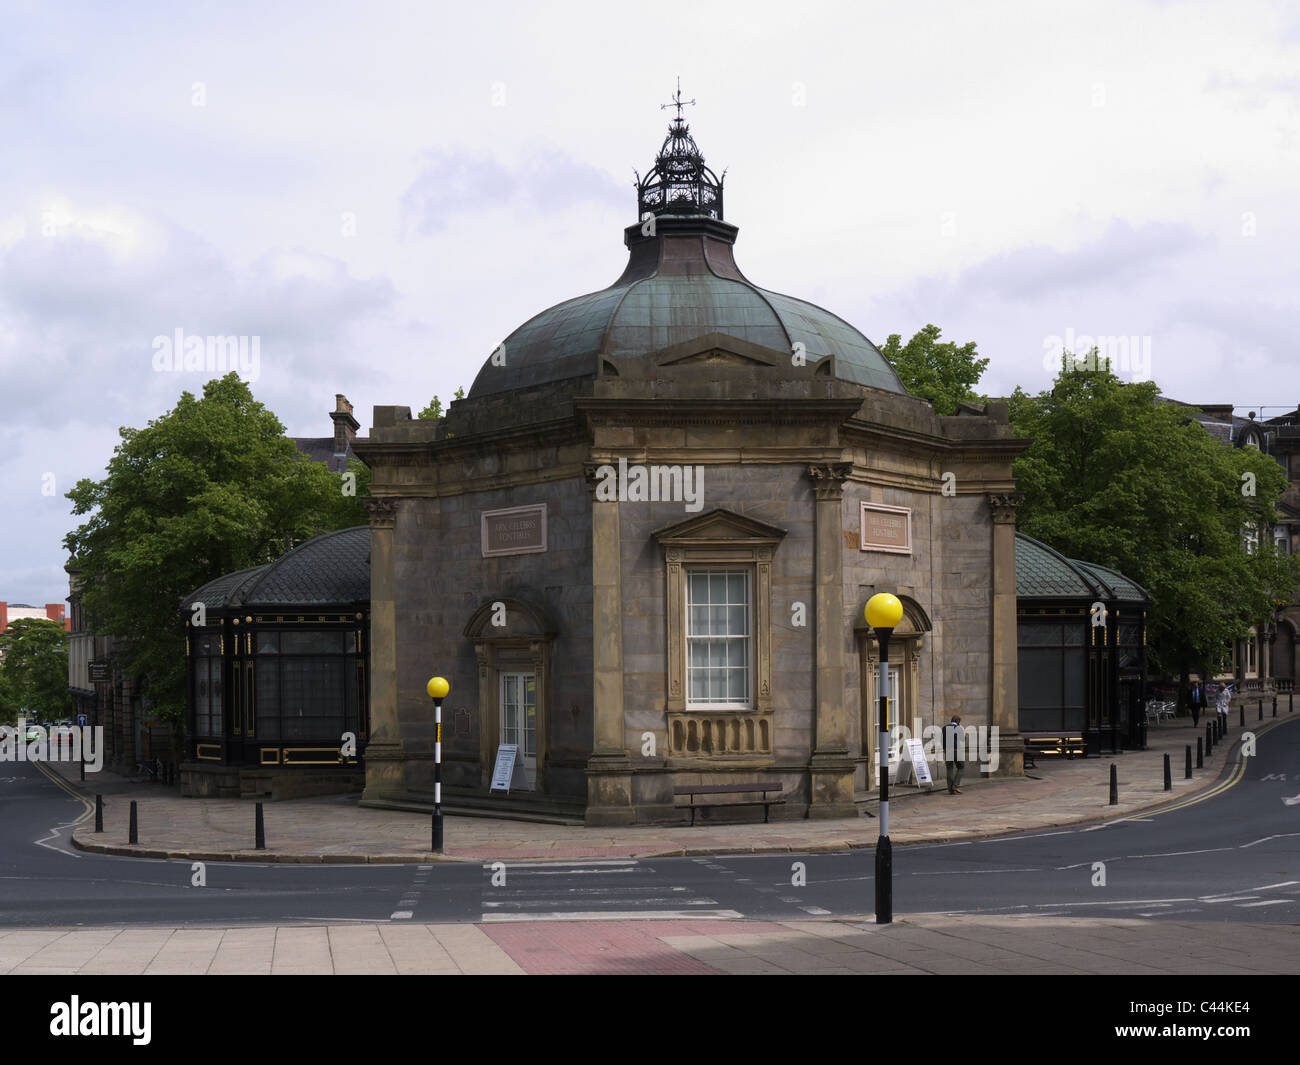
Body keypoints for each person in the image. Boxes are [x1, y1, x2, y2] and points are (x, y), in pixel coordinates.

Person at [942, 712, 965, 795]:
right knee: (961, 767)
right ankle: (955, 786)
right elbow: (963, 739)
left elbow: (942, 740)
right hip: (956, 750)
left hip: (947, 751)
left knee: (949, 769)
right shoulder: (958, 727)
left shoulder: (944, 727)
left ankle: (950, 789)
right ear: (958, 721)